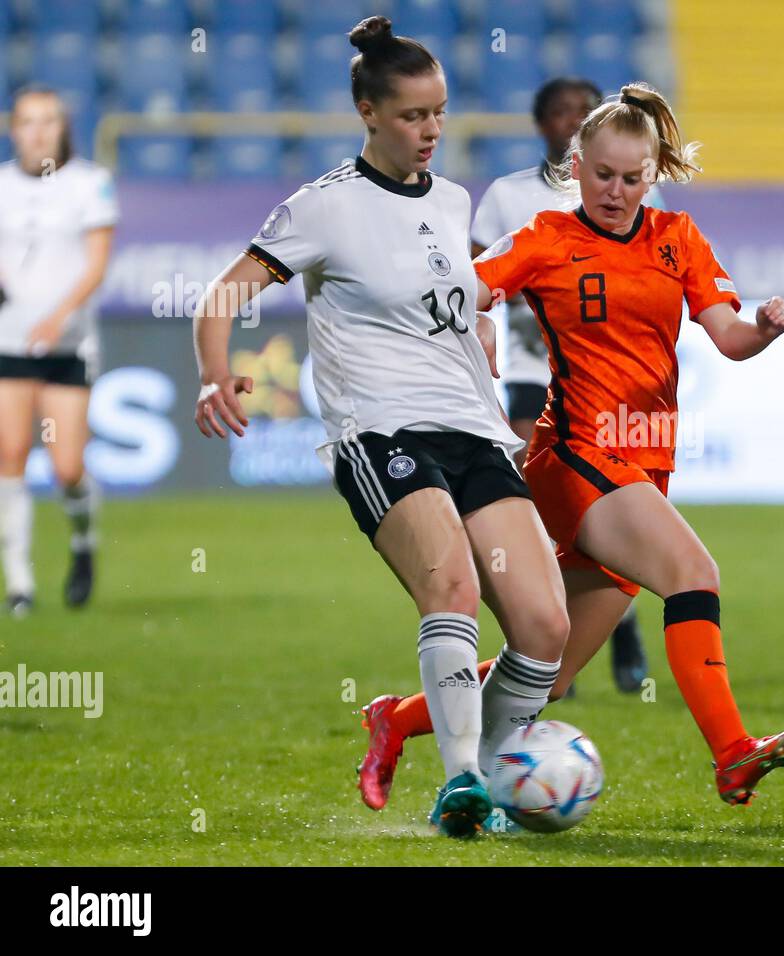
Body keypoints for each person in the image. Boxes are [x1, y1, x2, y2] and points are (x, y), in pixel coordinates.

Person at [378, 82, 784, 806]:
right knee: (695, 574)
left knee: (546, 666)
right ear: (576, 165)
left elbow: (728, 336)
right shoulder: (547, 238)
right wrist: (469, 322)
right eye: (602, 174)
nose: (616, 190)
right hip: (576, 454)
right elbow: (466, 290)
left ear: (654, 175)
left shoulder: (679, 240)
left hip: (646, 463)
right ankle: (732, 754)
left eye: (632, 178)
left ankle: (395, 719)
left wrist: (762, 329)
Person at [191, 16, 568, 837]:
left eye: (439, 113)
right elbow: (220, 296)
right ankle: (464, 780)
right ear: (367, 111)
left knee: (546, 629)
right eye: (411, 116)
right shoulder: (324, 208)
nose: (430, 131)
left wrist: (478, 330)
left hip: (472, 428)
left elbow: (450, 302)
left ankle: (483, 767)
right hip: (381, 432)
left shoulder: (455, 198)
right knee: (454, 587)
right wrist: (217, 372)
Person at [471, 75, 649, 695]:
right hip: (530, 370)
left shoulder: (631, 190)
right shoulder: (507, 197)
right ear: (542, 124)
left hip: (609, 385)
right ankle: (549, 641)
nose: (570, 121)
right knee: (543, 514)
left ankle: (616, 627)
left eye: (583, 112)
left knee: (609, 516)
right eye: (559, 113)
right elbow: (475, 286)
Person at [0, 85, 117, 617]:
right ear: (13, 129)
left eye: (48, 120)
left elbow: (96, 264)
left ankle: (83, 541)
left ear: (63, 126)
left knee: (68, 467)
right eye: (28, 121)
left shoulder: (89, 184)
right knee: (10, 457)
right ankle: (20, 582)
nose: (39, 130)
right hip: (9, 343)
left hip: (69, 344)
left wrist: (56, 318)